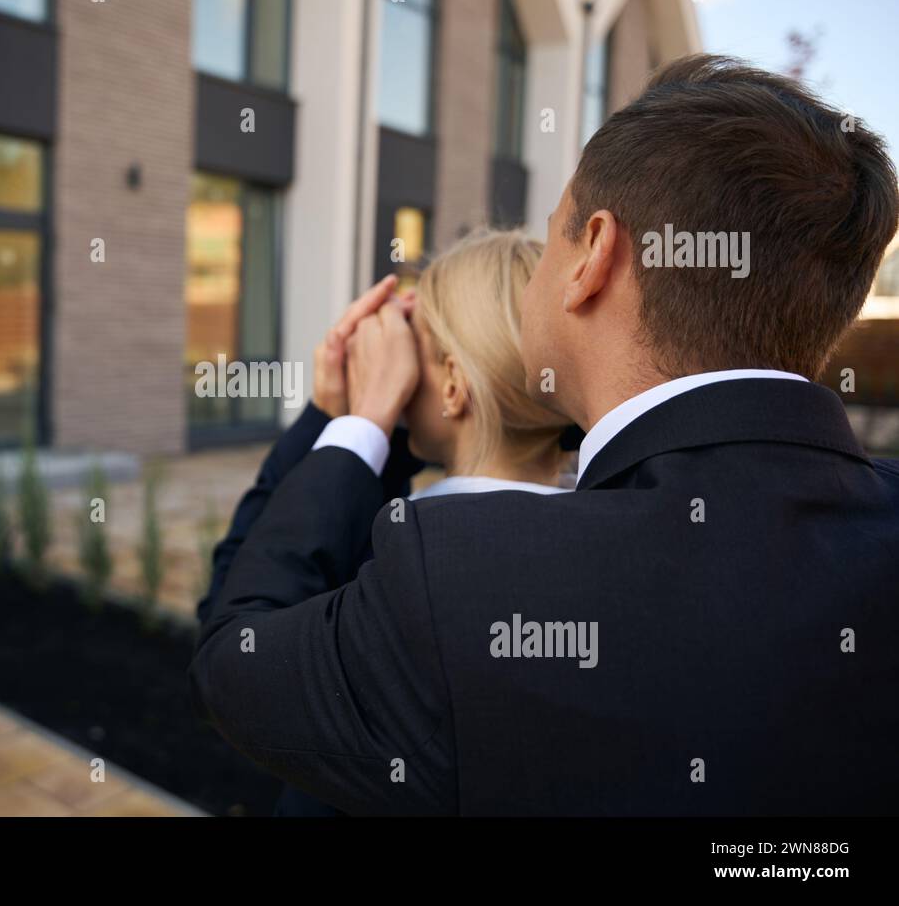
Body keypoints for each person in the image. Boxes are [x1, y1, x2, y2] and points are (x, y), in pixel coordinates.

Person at [190, 54, 899, 815]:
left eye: (552, 237)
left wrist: (355, 425)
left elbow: (237, 658)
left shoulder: (458, 573)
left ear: (593, 255)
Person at [197, 229, 570, 814]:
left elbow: (233, 631)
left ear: (451, 383)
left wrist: (362, 418)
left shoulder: (405, 568)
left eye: (409, 347)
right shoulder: (607, 528)